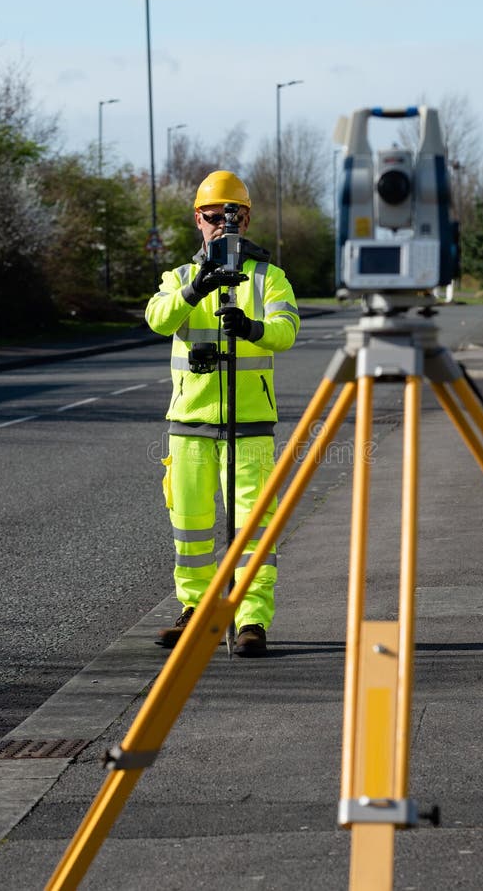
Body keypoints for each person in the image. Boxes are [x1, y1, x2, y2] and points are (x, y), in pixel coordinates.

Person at [145, 170, 299, 657]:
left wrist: (252, 328)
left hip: (249, 424)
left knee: (252, 525)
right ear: (198, 219)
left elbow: (287, 329)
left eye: (229, 216)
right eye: (211, 217)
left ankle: (252, 619)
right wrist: (197, 289)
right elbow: (157, 318)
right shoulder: (180, 277)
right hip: (190, 422)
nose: (220, 224)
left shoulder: (268, 277)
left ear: (246, 218)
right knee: (190, 525)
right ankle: (196, 611)